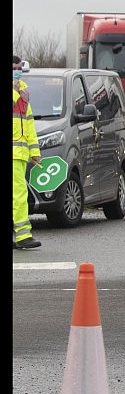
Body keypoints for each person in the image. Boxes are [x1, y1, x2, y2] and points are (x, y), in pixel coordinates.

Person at [13, 56, 42, 249]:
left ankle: (21, 235)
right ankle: (22, 236)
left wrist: (35, 151)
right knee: (18, 195)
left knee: (19, 195)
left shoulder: (23, 93)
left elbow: (29, 125)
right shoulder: (17, 93)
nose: (17, 71)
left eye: (19, 68)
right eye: (14, 68)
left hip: (20, 155)